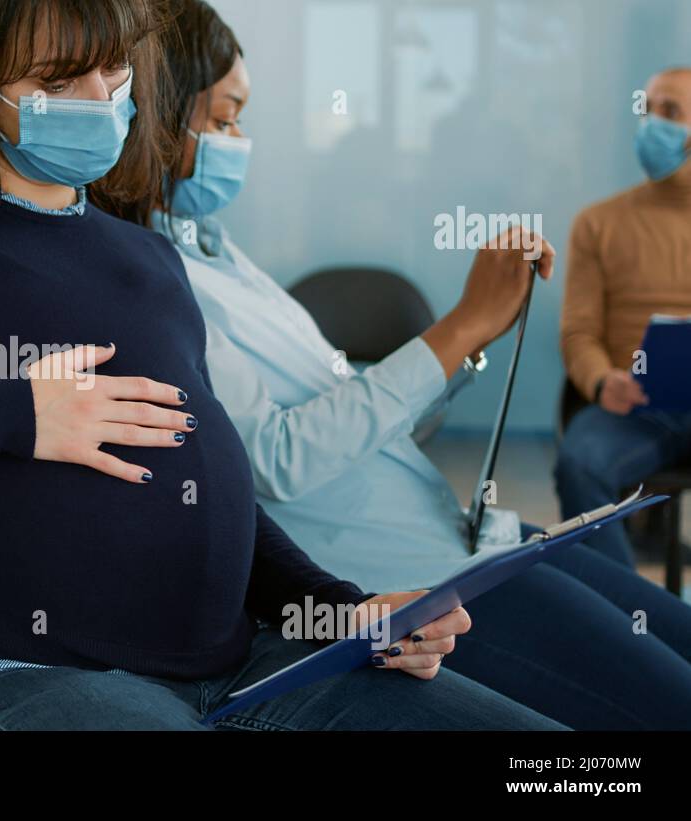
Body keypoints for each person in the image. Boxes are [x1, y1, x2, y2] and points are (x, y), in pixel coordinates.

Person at [0, 0, 561, 731]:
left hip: (245, 660)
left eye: (111, 74)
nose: (99, 99)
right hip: (26, 670)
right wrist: (11, 413)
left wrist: (338, 609)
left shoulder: (145, 257)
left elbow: (213, 479)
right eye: (56, 82)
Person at [148, 0, 691, 729]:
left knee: (677, 633)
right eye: (222, 118)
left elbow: (351, 402)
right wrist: (462, 324)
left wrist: (473, 332)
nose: (239, 139)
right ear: (155, 115)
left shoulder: (211, 247)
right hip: (413, 584)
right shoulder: (155, 281)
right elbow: (275, 459)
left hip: (467, 536)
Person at [556, 66, 691, 568]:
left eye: (671, 112)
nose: (652, 124)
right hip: (631, 408)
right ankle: (636, 622)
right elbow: (578, 332)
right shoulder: (599, 223)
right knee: (579, 464)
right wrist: (600, 380)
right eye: (647, 110)